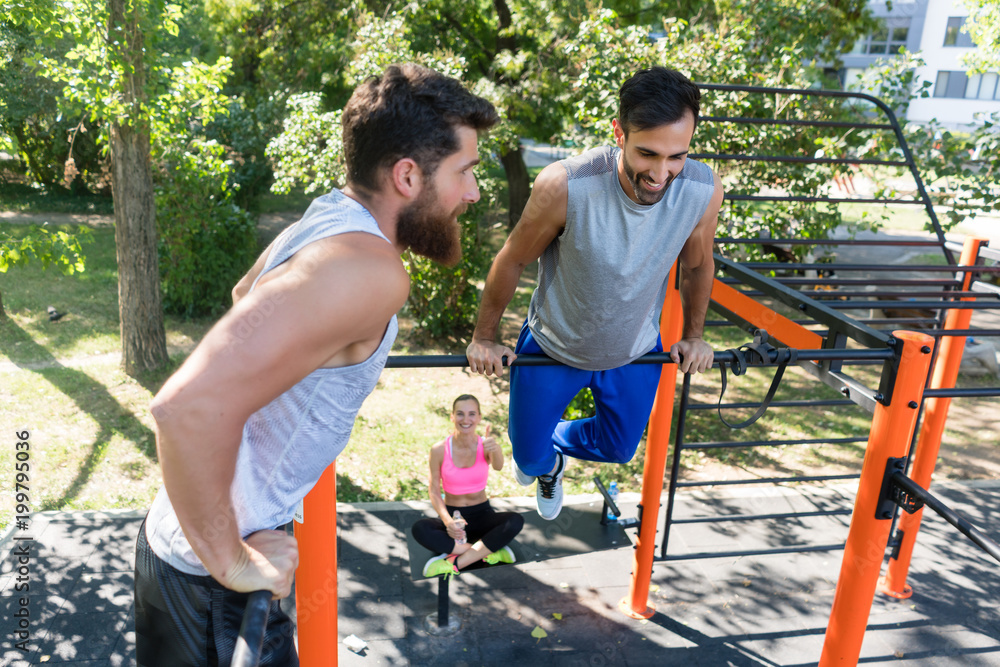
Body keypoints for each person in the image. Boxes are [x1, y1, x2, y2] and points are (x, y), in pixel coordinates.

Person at [134, 64, 498, 666]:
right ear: (408, 175)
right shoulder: (372, 271)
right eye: (465, 172)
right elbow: (184, 408)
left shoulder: (329, 217)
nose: (474, 193)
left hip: (188, 551)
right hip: (213, 580)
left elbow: (243, 297)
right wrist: (233, 557)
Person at [466, 66, 723, 521]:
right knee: (528, 460)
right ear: (619, 133)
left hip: (634, 350)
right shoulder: (567, 184)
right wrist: (485, 336)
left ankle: (554, 441)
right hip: (553, 347)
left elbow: (699, 262)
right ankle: (548, 463)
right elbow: (512, 258)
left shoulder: (702, 189)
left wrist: (696, 334)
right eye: (648, 153)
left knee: (619, 449)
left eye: (677, 156)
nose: (661, 173)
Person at [411, 394, 524, 577]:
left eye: (472, 414)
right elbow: (433, 490)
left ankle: (455, 562)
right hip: (455, 520)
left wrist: (495, 450)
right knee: (420, 529)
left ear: (479, 417)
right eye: (460, 414)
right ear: (452, 417)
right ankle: (487, 550)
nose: (466, 419)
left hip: (483, 515)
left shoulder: (485, 445)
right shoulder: (439, 449)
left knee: (515, 521)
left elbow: (498, 466)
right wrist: (448, 523)